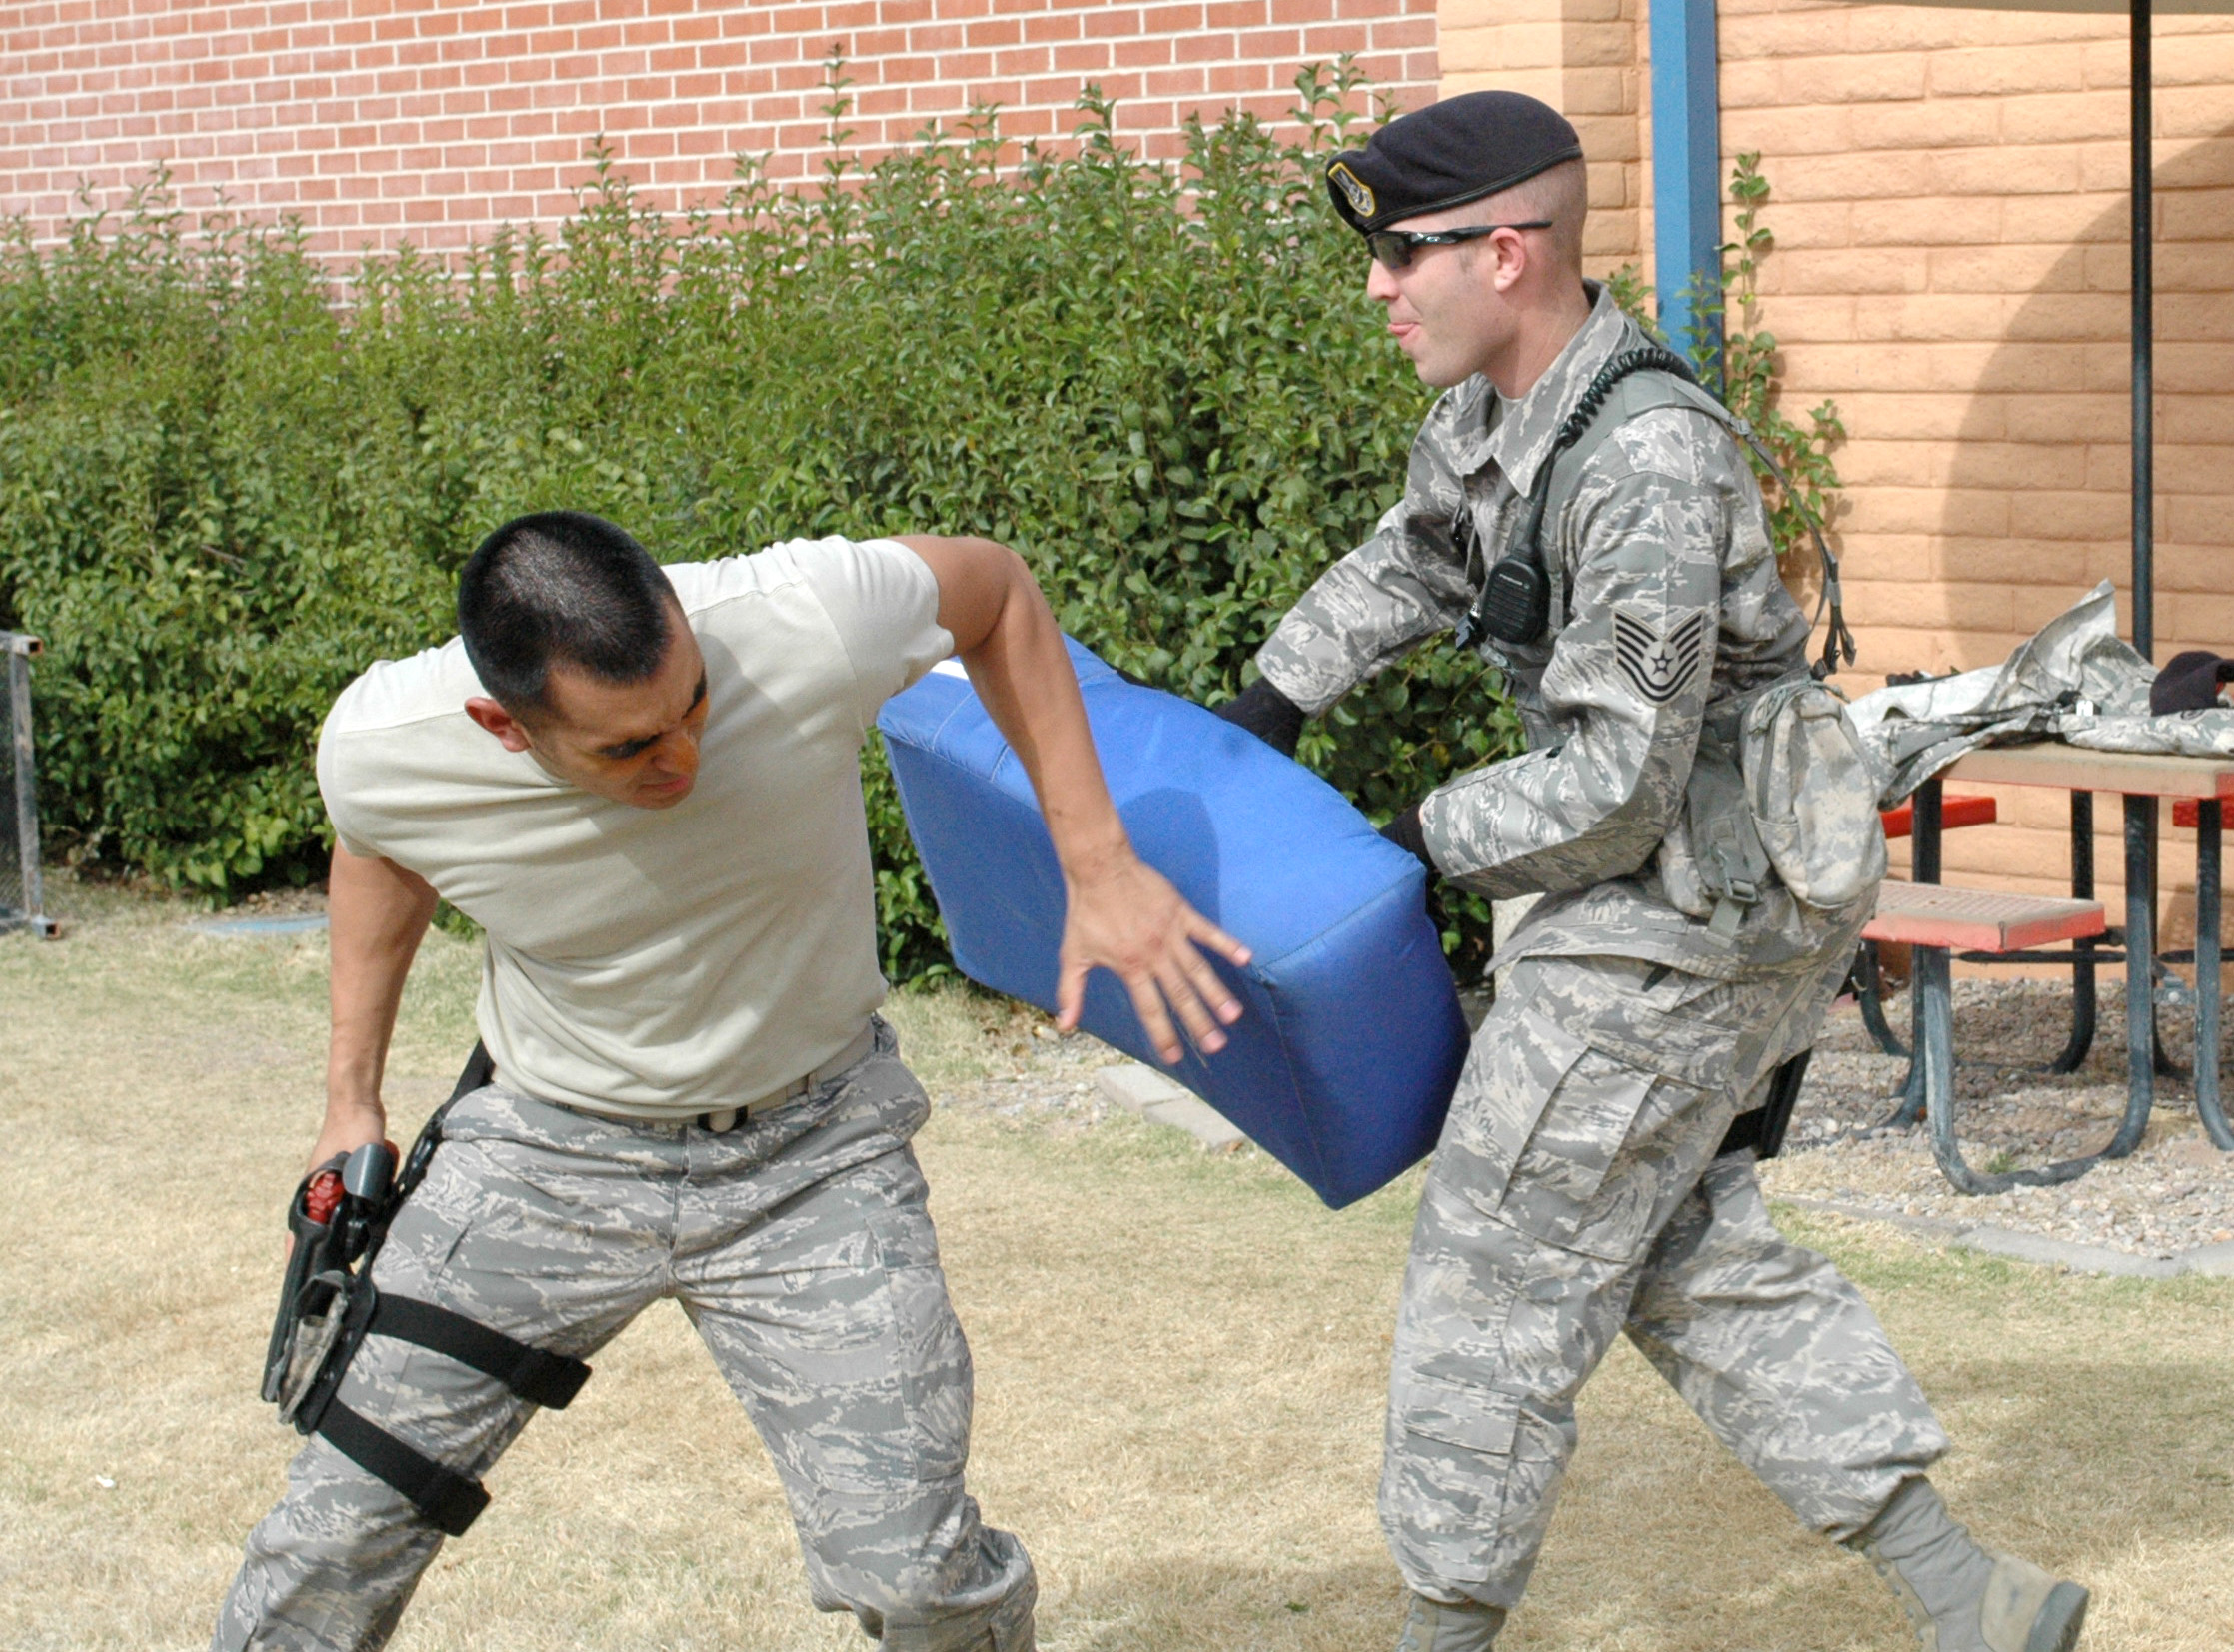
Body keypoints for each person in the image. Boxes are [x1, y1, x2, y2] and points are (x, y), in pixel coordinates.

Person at [1214, 93, 2090, 1652]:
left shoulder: (1647, 460)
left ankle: (1442, 1629)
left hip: (1691, 908)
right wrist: (1270, 705)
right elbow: (1421, 552)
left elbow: (1615, 787)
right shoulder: (1492, 407)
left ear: (1505, 250)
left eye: (1401, 256)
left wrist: (1426, 835)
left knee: (1496, 1255)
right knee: (1668, 1242)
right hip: (1663, 891)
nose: (1376, 288)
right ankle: (1970, 1597)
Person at [213, 512, 1250, 1652]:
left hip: (811, 1157)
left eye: (693, 701)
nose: (682, 757)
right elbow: (378, 846)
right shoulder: (383, 742)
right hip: (548, 1154)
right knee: (331, 1541)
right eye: (625, 748)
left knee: (913, 1576)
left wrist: (1096, 863)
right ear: (500, 726)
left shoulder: (798, 617)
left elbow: (995, 589)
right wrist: (348, 1101)